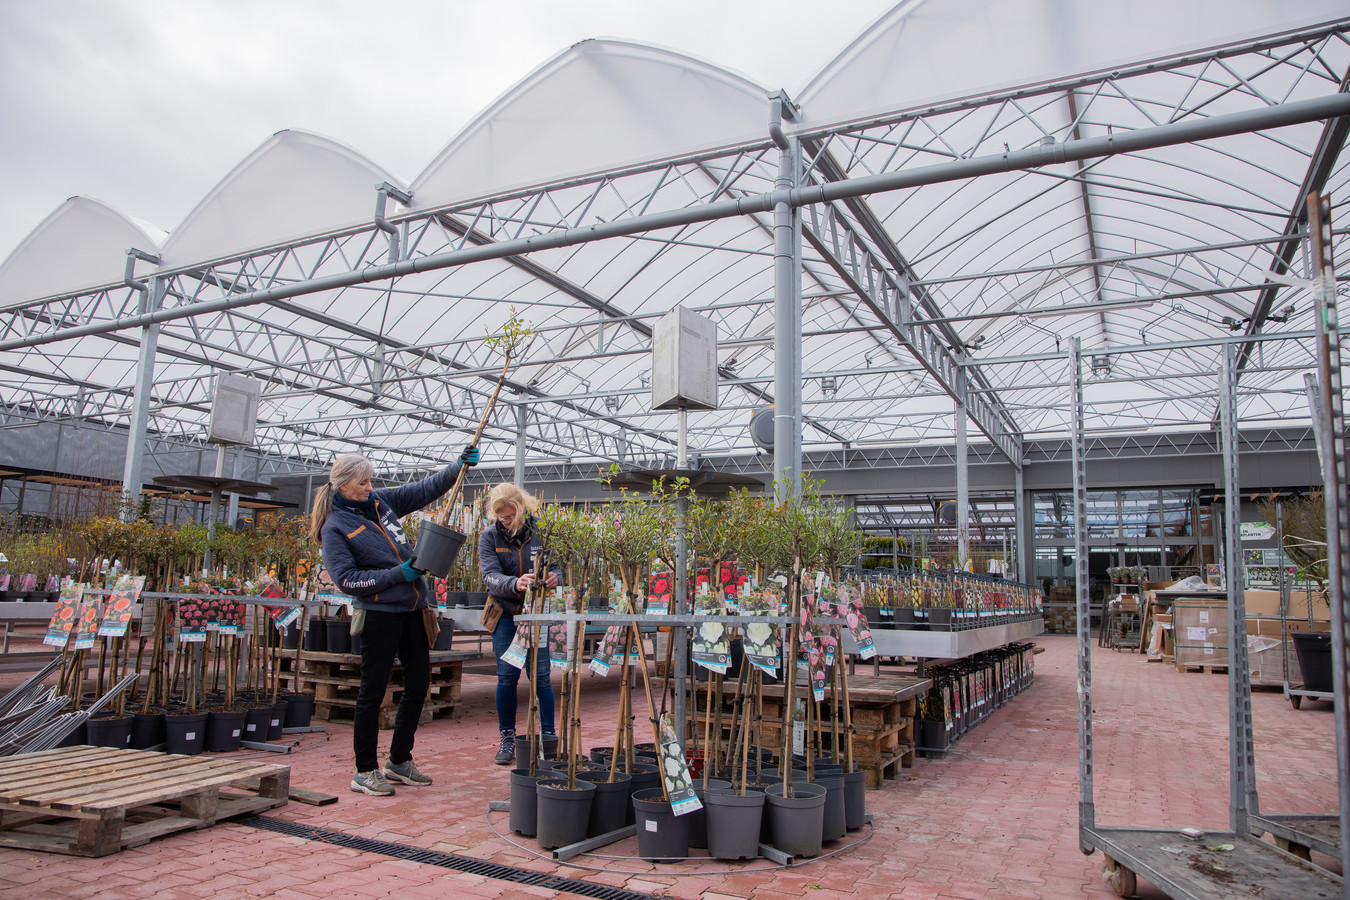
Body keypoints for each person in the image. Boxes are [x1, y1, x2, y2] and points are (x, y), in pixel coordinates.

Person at [310, 444, 480, 796]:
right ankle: (365, 769)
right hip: (378, 615)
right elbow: (348, 581)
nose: (370, 487)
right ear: (343, 486)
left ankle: (399, 759)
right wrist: (398, 574)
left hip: (414, 610)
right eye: (363, 482)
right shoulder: (336, 527)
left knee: (419, 684)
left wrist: (456, 467)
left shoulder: (380, 503)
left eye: (371, 480)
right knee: (372, 691)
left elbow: (423, 489)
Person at [478, 482, 561, 765]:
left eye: (509, 514)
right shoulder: (488, 537)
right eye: (500, 515)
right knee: (506, 676)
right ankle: (508, 738)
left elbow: (556, 565)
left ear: (521, 508)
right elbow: (489, 575)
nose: (504, 519)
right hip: (504, 613)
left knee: (541, 677)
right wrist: (515, 583)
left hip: (536, 613)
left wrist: (554, 577)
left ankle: (548, 737)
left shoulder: (541, 531)